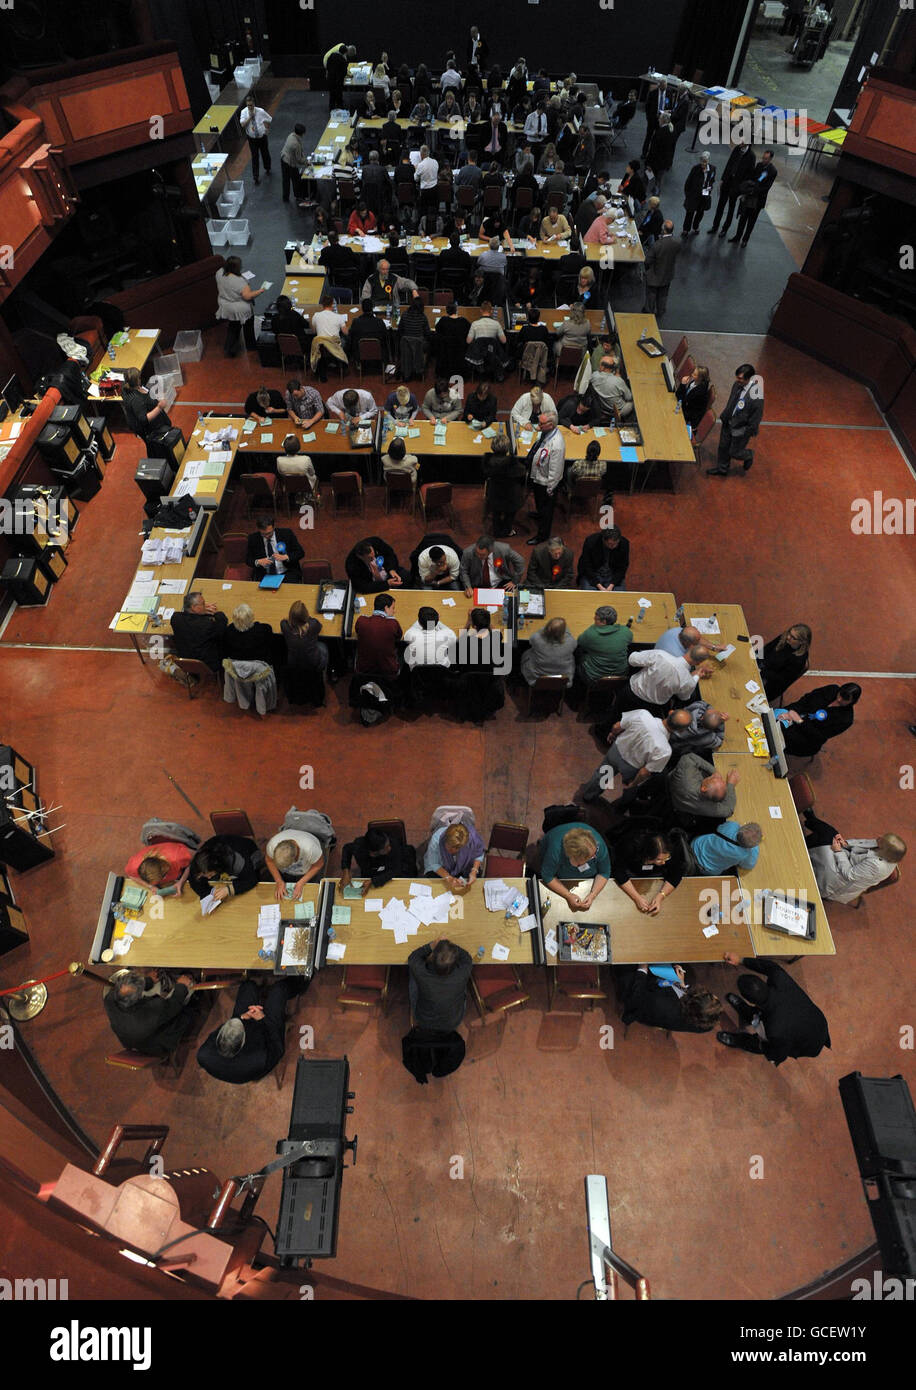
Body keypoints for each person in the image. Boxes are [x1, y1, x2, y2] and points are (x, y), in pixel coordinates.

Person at [717, 954, 831, 1065]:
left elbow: (778, 1055)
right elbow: (769, 966)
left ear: (750, 1001)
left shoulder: (774, 1029)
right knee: (757, 1017)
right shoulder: (779, 978)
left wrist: (764, 1046)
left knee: (761, 1042)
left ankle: (740, 1041)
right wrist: (740, 960)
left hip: (807, 1044)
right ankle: (745, 1011)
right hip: (817, 1020)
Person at [196, 977, 305, 1084]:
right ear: (243, 1041)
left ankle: (258, 991)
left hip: (242, 1029)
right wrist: (262, 1019)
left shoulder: (203, 1055)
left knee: (248, 986)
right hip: (267, 1036)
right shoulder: (259, 1060)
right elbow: (278, 1047)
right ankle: (303, 982)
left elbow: (221, 1032)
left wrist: (242, 1017)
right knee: (279, 990)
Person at [581, 708, 689, 803]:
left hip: (616, 752)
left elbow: (617, 726)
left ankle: (588, 796)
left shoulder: (643, 715)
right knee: (631, 790)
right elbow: (644, 773)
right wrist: (632, 785)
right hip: (630, 768)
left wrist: (613, 734)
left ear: (670, 712)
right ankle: (618, 807)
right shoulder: (665, 750)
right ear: (680, 730)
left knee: (603, 775)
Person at [802, 817, 906, 905]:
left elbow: (849, 874)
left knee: (825, 840)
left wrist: (839, 852)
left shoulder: (877, 867)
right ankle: (809, 819)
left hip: (839, 881)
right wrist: (844, 843)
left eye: (882, 840)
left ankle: (805, 830)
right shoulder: (883, 847)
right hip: (847, 860)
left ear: (885, 850)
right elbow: (861, 843)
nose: (878, 837)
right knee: (831, 833)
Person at [105, 969, 197, 1056]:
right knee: (188, 989)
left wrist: (148, 981)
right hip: (158, 1045)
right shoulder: (152, 1010)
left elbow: (128, 989)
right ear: (138, 997)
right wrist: (181, 985)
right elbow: (174, 1004)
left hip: (133, 1040)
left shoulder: (109, 998)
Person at [619, 964, 721, 1033]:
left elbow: (637, 996)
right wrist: (682, 984)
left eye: (708, 995)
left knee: (626, 967)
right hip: (666, 1002)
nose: (714, 994)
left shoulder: (660, 1003)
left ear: (691, 1001)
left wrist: (642, 969)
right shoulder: (706, 1025)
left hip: (645, 999)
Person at [611, 828, 687, 916]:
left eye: (667, 858)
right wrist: (636, 897)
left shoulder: (668, 850)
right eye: (658, 859)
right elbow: (618, 871)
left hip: (655, 876)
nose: (663, 862)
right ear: (648, 856)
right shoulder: (629, 847)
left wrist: (660, 896)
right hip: (631, 871)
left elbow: (677, 872)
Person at [707, 364, 763, 476]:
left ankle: (748, 455)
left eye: (740, 378)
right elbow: (732, 401)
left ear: (749, 378)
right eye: (737, 377)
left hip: (741, 428)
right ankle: (722, 469)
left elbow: (756, 417)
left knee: (734, 452)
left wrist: (747, 432)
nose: (737, 380)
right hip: (728, 421)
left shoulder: (756, 396)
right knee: (723, 447)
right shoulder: (737, 385)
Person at [539, 823, 610, 913]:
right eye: (580, 863)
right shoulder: (556, 850)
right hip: (561, 877)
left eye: (592, 857)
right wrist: (567, 895)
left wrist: (593, 894)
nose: (593, 859)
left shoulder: (597, 846)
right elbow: (548, 876)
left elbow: (604, 872)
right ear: (569, 855)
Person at [778, 682, 861, 757]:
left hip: (805, 737)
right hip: (796, 713)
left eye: (845, 699)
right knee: (771, 717)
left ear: (852, 702)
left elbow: (818, 736)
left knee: (776, 739)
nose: (839, 699)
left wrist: (799, 721)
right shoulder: (831, 689)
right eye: (840, 694)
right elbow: (806, 699)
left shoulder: (845, 720)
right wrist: (791, 711)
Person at [408, 938, 473, 1032]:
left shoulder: (423, 973)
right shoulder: (463, 972)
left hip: (424, 1021)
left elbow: (412, 958)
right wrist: (452, 948)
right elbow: (467, 958)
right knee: (462, 987)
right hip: (453, 1022)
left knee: (412, 973)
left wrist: (431, 946)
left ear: (432, 957)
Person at [628, 643, 714, 711]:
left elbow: (632, 659)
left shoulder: (660, 655)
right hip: (652, 707)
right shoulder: (688, 681)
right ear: (698, 663)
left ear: (689, 649)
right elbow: (683, 697)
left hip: (631, 691)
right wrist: (697, 675)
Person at [526, 410, 565, 545]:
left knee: (546, 510)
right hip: (538, 477)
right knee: (539, 504)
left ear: (551, 424)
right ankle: (539, 514)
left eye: (541, 424)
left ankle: (542, 535)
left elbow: (555, 470)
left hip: (546, 484)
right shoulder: (546, 433)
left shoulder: (557, 444)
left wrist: (550, 489)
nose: (538, 426)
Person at [668, 753, 739, 825]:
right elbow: (729, 810)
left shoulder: (687, 774)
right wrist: (730, 784)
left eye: (715, 778)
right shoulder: (709, 806)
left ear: (704, 788)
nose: (717, 776)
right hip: (678, 800)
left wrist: (714, 772)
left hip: (674, 787)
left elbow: (688, 758)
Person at [340, 824, 417, 890]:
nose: (389, 848)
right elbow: (347, 849)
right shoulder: (359, 846)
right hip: (370, 871)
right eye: (385, 848)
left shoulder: (394, 846)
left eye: (388, 844)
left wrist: (373, 881)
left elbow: (396, 869)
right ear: (374, 852)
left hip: (388, 871)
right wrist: (346, 872)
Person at [189, 834, 264, 900]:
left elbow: (251, 880)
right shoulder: (199, 861)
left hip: (249, 851)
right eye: (205, 875)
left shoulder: (236, 861)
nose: (208, 878)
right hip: (222, 844)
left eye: (210, 875)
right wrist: (208, 894)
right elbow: (193, 880)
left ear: (217, 868)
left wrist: (228, 890)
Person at [216, 256, 265, 356]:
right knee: (248, 326)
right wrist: (260, 291)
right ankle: (251, 346)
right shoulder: (239, 282)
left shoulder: (219, 273)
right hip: (240, 308)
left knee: (233, 327)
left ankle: (229, 348)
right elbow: (247, 296)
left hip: (226, 305)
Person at [281, 599, 328, 701]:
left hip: (293, 662)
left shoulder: (285, 626)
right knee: (323, 647)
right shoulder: (312, 625)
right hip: (313, 662)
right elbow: (319, 625)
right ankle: (326, 675)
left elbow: (284, 621)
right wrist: (307, 618)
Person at [265, 824, 326, 901]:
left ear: (296, 857)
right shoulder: (272, 845)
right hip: (286, 873)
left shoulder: (310, 848)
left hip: (307, 870)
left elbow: (319, 864)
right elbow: (269, 861)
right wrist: (279, 881)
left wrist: (301, 882)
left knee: (311, 896)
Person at [731, 150, 777, 247]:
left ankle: (745, 240)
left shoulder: (773, 171)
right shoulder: (759, 165)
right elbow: (753, 178)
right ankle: (738, 236)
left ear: (770, 159)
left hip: (758, 200)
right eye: (763, 158)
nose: (763, 160)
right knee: (743, 217)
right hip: (750, 196)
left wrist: (753, 190)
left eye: (766, 159)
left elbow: (766, 187)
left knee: (751, 221)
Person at [709, 140, 755, 238]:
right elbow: (729, 164)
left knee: (731, 208)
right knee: (720, 206)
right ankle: (715, 226)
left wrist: (742, 189)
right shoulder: (737, 149)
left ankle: (725, 229)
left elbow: (750, 175)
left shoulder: (751, 156)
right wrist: (722, 179)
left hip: (736, 187)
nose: (741, 141)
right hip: (727, 182)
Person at [575, 605, 633, 683]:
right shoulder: (626, 631)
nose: (594, 620)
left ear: (604, 622)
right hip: (620, 675)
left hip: (594, 677)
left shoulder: (591, 633)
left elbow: (580, 642)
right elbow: (629, 640)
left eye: (596, 619)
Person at [171, 592, 227, 672]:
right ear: (193, 607)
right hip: (207, 665)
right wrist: (216, 613)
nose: (205, 605)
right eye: (203, 604)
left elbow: (183, 614)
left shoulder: (175, 618)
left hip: (186, 662)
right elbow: (222, 624)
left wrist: (201, 611)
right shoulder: (206, 625)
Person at [482, 436, 526, 537]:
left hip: (494, 493)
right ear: (507, 448)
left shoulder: (487, 461)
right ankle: (507, 531)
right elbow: (522, 472)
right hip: (510, 495)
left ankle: (497, 532)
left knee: (496, 514)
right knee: (509, 515)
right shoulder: (512, 463)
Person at [424, 821, 485, 890]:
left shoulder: (473, 838)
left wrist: (474, 870)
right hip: (442, 866)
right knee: (437, 888)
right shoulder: (436, 839)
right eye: (450, 847)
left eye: (458, 848)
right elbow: (434, 863)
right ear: (445, 841)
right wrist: (448, 877)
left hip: (464, 866)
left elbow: (479, 853)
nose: (454, 851)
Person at [759, 624, 812, 703]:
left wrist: (761, 671)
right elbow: (766, 649)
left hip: (769, 683)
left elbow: (780, 680)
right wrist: (755, 661)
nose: (788, 637)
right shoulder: (784, 638)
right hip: (761, 667)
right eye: (789, 633)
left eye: (793, 637)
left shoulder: (798, 661)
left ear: (801, 642)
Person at [355, 592, 402, 678]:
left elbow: (357, 631)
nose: (394, 611)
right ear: (386, 608)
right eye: (393, 608)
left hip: (364, 669)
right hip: (388, 670)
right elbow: (399, 636)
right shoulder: (393, 624)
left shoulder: (361, 621)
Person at [690, 821, 762, 875]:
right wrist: (755, 847)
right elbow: (748, 866)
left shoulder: (731, 826)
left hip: (694, 846)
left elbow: (720, 827)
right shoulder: (744, 854)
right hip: (705, 869)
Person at [521, 616, 576, 686]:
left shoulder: (536, 638)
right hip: (562, 678)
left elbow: (531, 641)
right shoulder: (571, 642)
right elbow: (568, 635)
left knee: (527, 653)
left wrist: (546, 629)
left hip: (537, 677)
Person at [459, 535, 524, 593]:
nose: (479, 556)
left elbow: (520, 561)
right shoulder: (468, 553)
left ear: (491, 550)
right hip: (477, 584)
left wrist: (514, 581)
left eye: (482, 555)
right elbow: (463, 570)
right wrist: (468, 587)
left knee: (509, 600)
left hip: (500, 582)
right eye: (477, 553)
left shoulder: (504, 549)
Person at [642, 220, 680, 320]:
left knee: (651, 294)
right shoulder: (676, 243)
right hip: (668, 274)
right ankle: (660, 311)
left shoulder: (657, 245)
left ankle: (649, 311)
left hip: (654, 274)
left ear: (663, 230)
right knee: (663, 294)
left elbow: (647, 261)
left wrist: (647, 270)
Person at [246, 516, 304, 581]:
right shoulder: (253, 538)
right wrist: (258, 562)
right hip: (265, 574)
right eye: (263, 534)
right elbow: (248, 559)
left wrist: (286, 557)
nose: (267, 536)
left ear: (274, 527)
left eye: (269, 533)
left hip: (287, 572)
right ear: (259, 529)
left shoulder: (287, 534)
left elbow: (300, 552)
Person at [123, 841, 192, 896]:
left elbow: (191, 864)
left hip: (182, 870)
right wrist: (150, 886)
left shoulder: (178, 857)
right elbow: (131, 875)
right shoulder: (134, 865)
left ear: (164, 869)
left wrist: (181, 882)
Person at [122, 367, 172, 441]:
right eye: (139, 378)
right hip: (150, 429)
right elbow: (144, 419)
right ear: (136, 380)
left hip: (153, 418)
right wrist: (159, 407)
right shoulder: (136, 400)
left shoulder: (128, 387)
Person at [310, 295, 350, 381]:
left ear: (322, 305)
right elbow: (345, 332)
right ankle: (343, 363)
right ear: (332, 304)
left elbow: (313, 331)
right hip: (334, 345)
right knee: (346, 341)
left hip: (321, 346)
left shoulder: (316, 316)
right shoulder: (339, 317)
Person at [348, 299, 392, 368]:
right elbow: (386, 337)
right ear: (372, 308)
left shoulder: (356, 322)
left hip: (360, 355)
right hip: (378, 354)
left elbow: (350, 337)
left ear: (362, 308)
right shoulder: (380, 322)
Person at [277, 435, 320, 503]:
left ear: (285, 448)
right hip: (306, 485)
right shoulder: (306, 459)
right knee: (314, 477)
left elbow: (280, 473)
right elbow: (312, 473)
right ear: (299, 448)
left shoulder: (279, 460)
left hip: (289, 485)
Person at [682, 152, 716, 237]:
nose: (703, 164)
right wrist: (688, 194)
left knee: (700, 212)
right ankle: (686, 229)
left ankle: (695, 226)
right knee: (690, 212)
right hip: (694, 195)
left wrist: (710, 187)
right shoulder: (695, 169)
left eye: (705, 161)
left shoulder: (712, 169)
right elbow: (688, 182)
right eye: (702, 161)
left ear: (708, 161)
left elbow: (712, 180)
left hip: (704, 195)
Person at [240, 94, 272, 183]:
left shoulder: (260, 111)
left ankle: (268, 167)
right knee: (255, 157)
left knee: (265, 153)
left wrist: (267, 129)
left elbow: (269, 119)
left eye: (251, 105)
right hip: (252, 139)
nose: (249, 107)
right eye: (248, 105)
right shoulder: (244, 112)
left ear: (254, 104)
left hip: (262, 137)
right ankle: (256, 177)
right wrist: (250, 117)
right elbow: (242, 124)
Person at [434, 302, 471, 377]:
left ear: (447, 311)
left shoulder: (443, 320)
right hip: (460, 352)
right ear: (456, 310)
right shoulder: (464, 321)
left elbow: (437, 330)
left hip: (446, 353)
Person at [646, 112, 675, 192]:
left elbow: (653, 149)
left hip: (656, 161)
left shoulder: (659, 133)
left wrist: (649, 162)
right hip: (664, 161)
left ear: (662, 120)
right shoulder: (670, 131)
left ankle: (651, 190)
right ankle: (656, 192)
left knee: (650, 176)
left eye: (659, 119)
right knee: (659, 179)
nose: (658, 120)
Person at [280, 123, 308, 204]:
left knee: (285, 180)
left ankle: (285, 197)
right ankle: (298, 196)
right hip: (290, 163)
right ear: (302, 133)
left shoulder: (291, 135)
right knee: (295, 179)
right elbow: (298, 159)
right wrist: (307, 162)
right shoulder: (296, 144)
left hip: (283, 159)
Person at [675, 364, 710, 429]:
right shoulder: (694, 382)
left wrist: (682, 385)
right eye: (693, 373)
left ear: (700, 378)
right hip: (686, 407)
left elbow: (683, 399)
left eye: (694, 374)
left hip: (689, 417)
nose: (692, 375)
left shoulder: (700, 392)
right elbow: (681, 396)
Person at [642, 77, 669, 157]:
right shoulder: (652, 93)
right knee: (649, 136)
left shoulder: (669, 93)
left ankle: (654, 154)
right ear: (659, 85)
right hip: (653, 119)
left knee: (659, 138)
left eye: (666, 86)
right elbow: (647, 106)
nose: (665, 88)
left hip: (663, 121)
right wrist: (648, 118)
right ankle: (644, 153)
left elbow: (670, 105)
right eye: (663, 87)